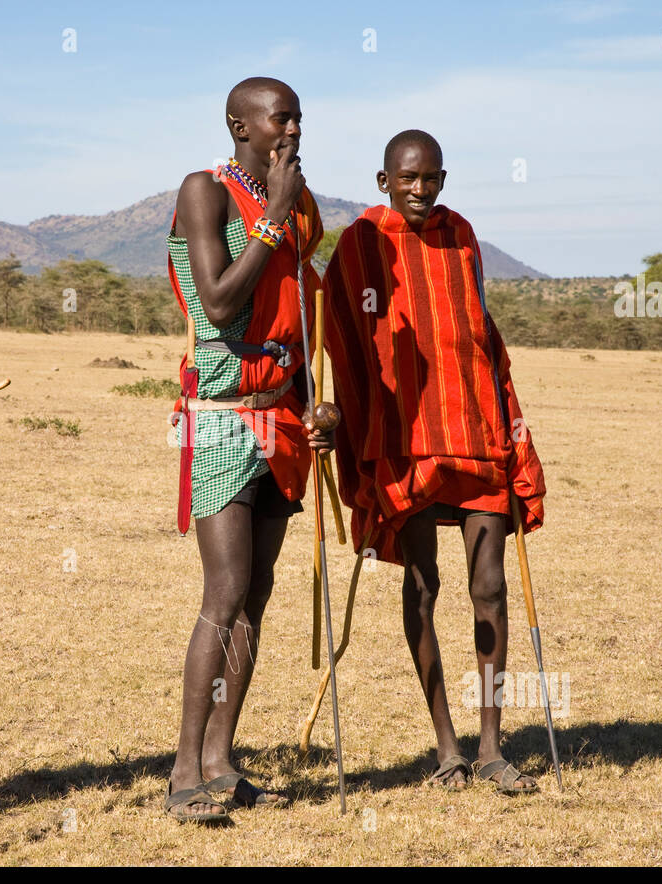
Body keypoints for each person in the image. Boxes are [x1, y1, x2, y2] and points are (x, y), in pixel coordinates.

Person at [322, 130, 548, 795]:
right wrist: (348, 422)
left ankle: (490, 747)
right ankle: (445, 744)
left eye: (432, 179)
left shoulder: (463, 235)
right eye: (408, 178)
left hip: (474, 427)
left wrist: (507, 416)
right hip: (406, 437)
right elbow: (344, 341)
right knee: (423, 585)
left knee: (490, 586)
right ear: (384, 179)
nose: (421, 190)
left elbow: (481, 328)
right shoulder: (361, 244)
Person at [164, 77, 329, 821]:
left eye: (297, 115)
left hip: (282, 417)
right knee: (224, 591)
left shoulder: (301, 208)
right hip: (223, 415)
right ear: (240, 125)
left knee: (257, 596)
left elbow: (302, 310)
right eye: (279, 117)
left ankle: (221, 759)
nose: (292, 127)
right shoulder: (206, 192)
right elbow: (223, 301)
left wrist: (320, 402)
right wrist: (272, 216)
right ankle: (180, 773)